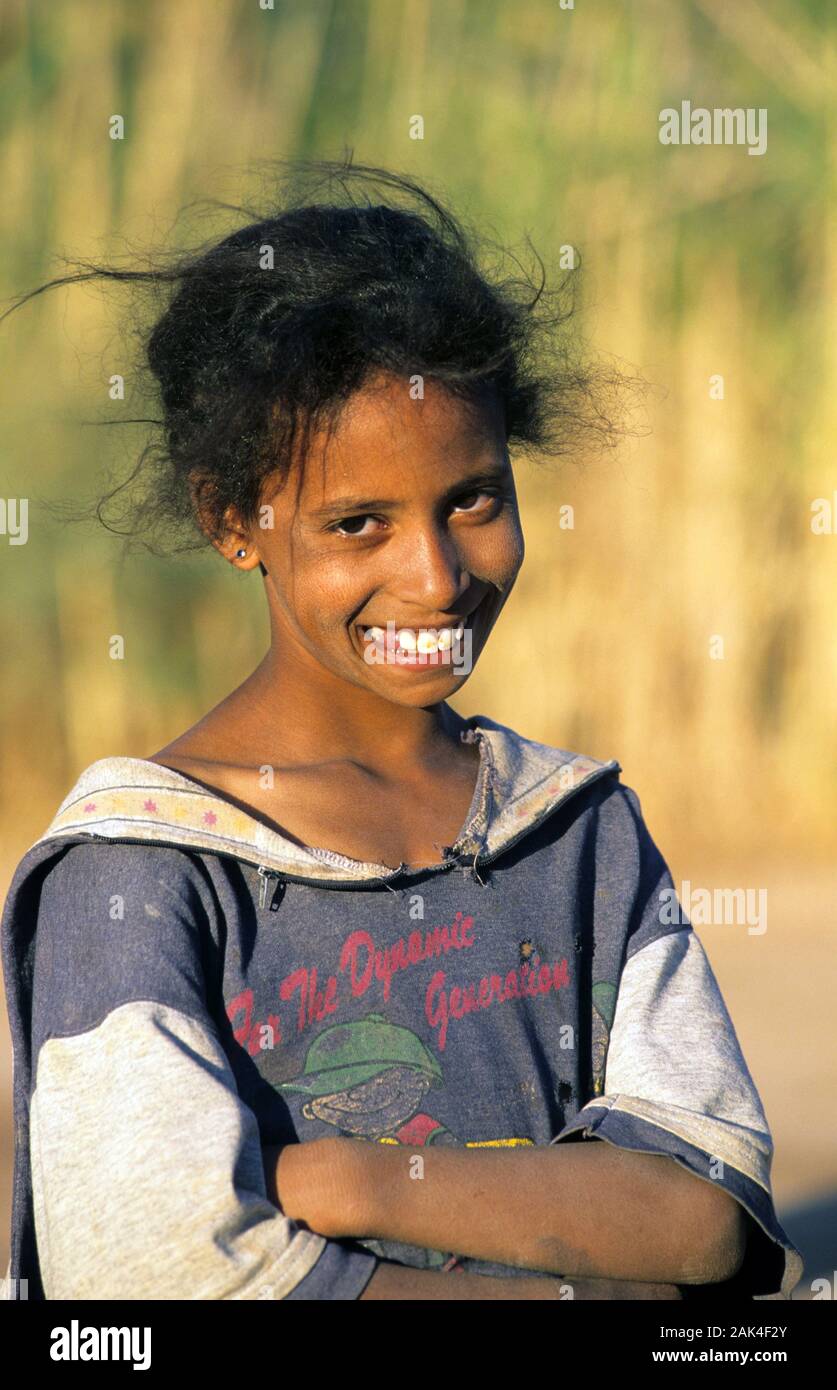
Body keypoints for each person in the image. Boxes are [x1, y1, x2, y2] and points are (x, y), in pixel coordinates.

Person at [0, 158, 802, 1301]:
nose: (434, 576)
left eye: (473, 499)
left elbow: (702, 1209)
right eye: (358, 523)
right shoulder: (137, 872)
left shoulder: (575, 832)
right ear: (235, 519)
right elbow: (153, 1271)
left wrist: (357, 1179)